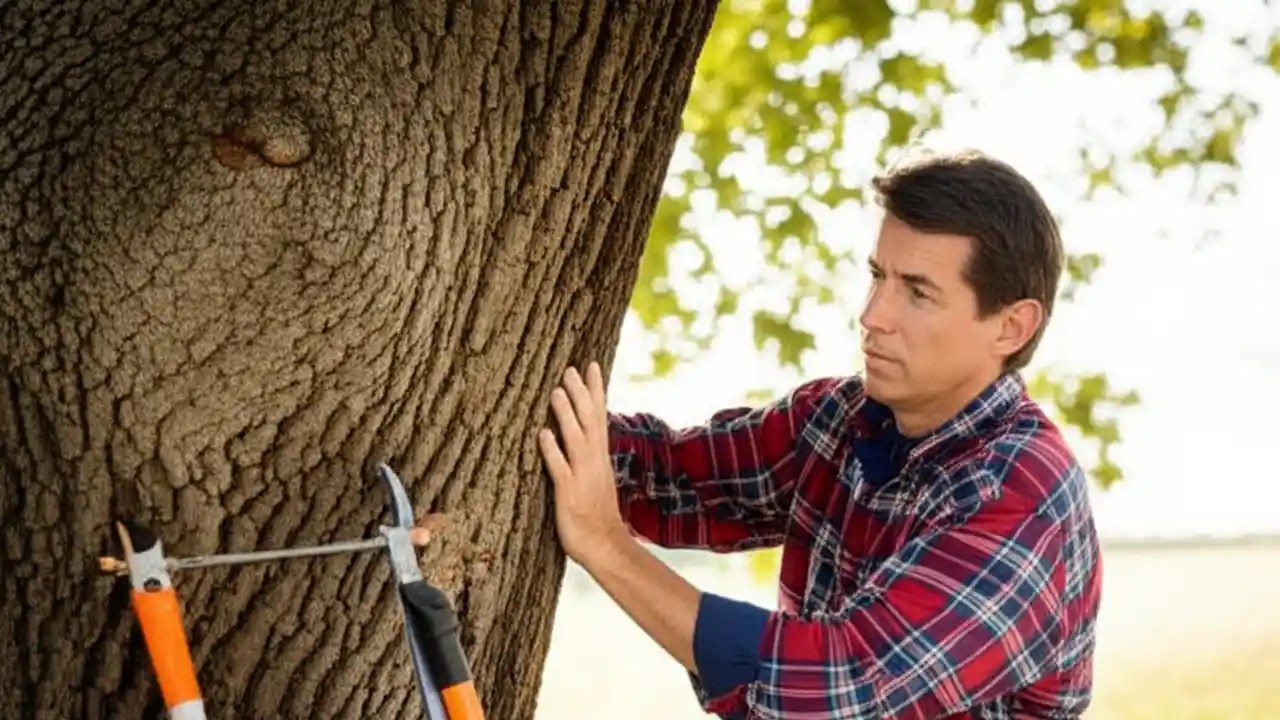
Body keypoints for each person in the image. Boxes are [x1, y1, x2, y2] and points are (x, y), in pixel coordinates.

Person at [537, 149, 1102, 719]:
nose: (872, 315)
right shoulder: (838, 418)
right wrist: (543, 433)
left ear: (1011, 326)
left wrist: (606, 546)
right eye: (878, 276)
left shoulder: (1022, 498)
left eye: (918, 292)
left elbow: (839, 685)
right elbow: (671, 476)